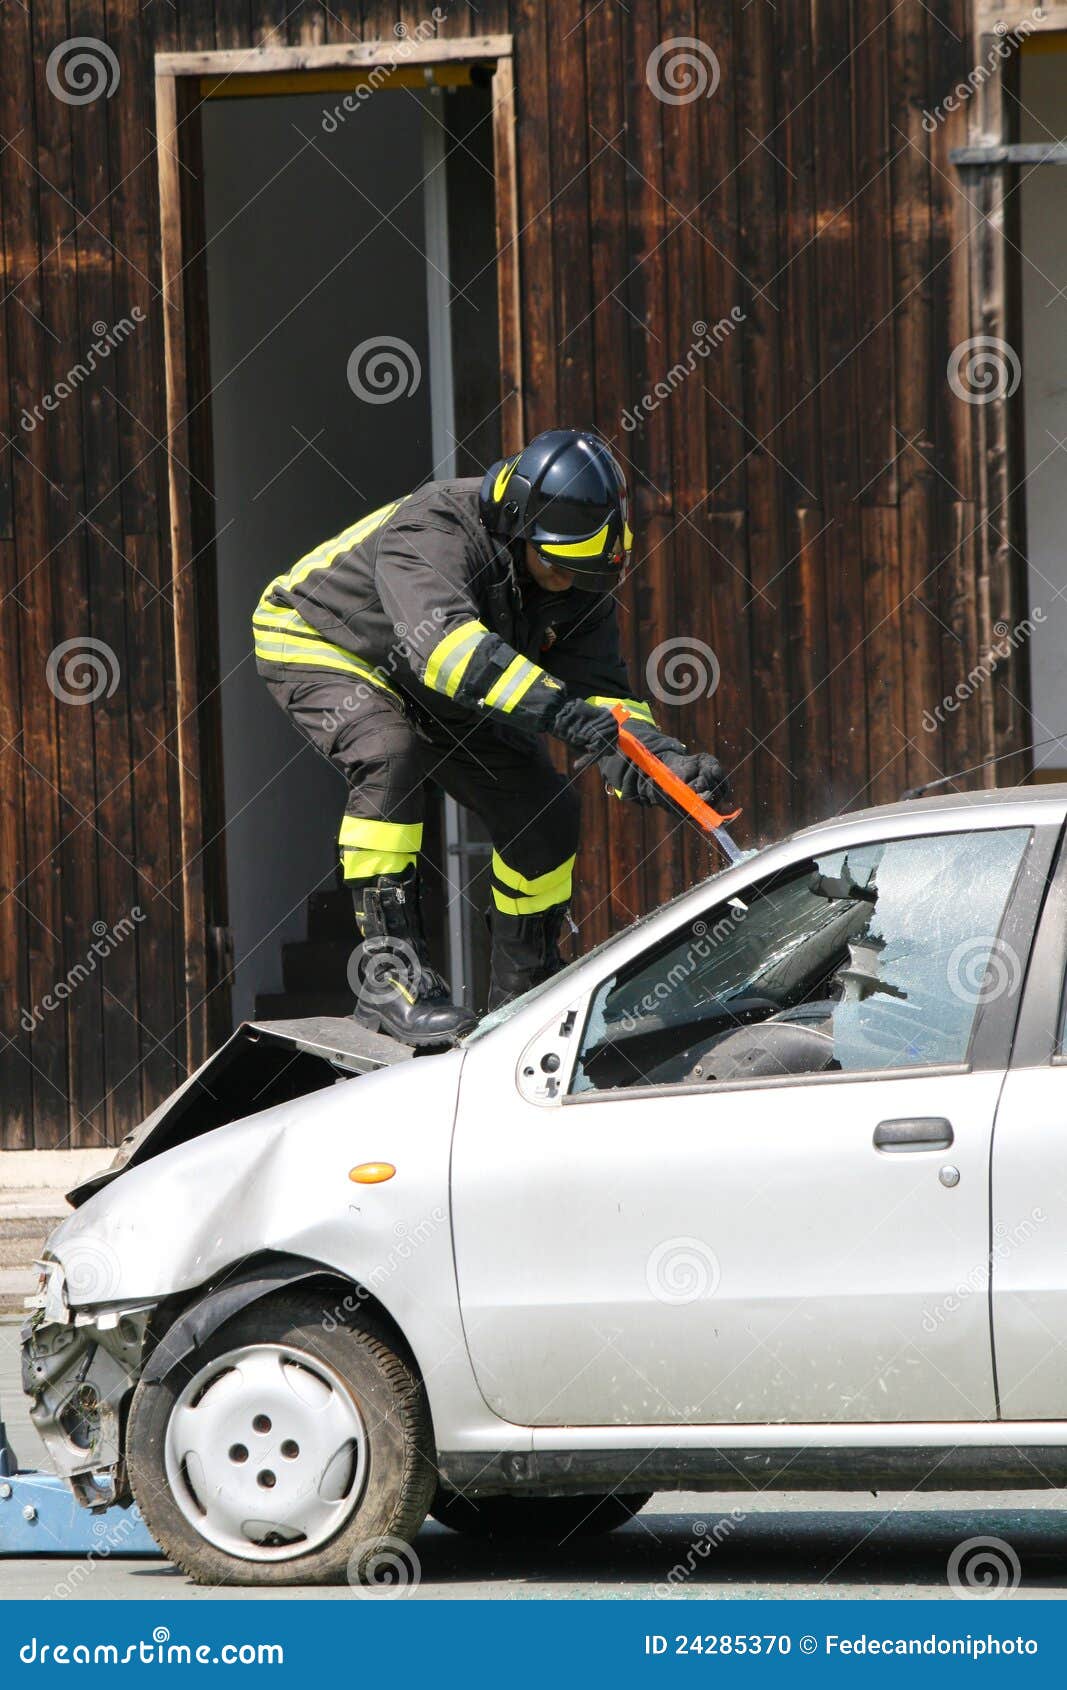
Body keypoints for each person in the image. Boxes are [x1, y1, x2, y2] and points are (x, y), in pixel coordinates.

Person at [254, 428, 729, 1044]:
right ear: (519, 527)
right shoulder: (432, 529)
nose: (566, 585)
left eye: (583, 575)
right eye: (556, 566)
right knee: (391, 751)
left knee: (544, 807)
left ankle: (524, 994)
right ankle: (390, 982)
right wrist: (559, 712)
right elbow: (447, 650)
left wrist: (664, 767)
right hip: (328, 644)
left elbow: (604, 697)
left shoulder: (577, 581)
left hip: (438, 676)